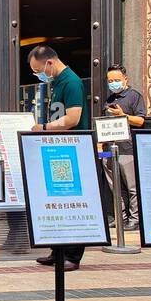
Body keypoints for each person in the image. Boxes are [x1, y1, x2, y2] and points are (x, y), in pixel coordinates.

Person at [28, 45, 90, 271]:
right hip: (60, 148)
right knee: (59, 201)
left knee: (71, 201)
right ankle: (58, 251)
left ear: (49, 63)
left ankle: (72, 255)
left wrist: (44, 127)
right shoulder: (58, 82)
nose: (38, 75)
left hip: (73, 148)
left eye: (38, 70)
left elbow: (73, 118)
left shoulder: (71, 82)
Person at [101, 65, 146, 231]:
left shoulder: (134, 96)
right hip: (110, 148)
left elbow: (141, 121)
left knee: (132, 186)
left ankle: (135, 219)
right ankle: (120, 217)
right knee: (115, 186)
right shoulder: (109, 100)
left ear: (125, 79)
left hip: (128, 148)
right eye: (110, 81)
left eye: (117, 80)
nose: (113, 83)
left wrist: (123, 116)